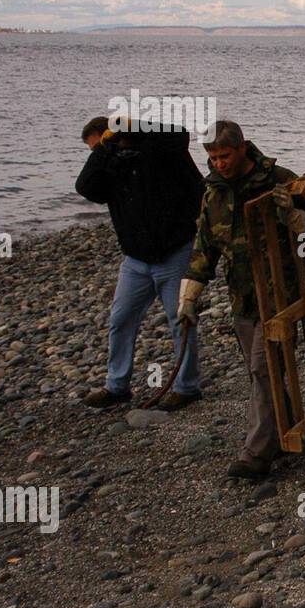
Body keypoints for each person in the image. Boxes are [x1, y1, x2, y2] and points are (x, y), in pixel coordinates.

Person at [176, 120, 305, 479]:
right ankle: (287, 428)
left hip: (279, 293)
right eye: (212, 157)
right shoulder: (213, 192)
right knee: (260, 371)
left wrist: (293, 214)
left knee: (263, 369)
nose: (218, 164)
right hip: (241, 295)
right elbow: (205, 245)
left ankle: (256, 453)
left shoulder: (277, 178)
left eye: (224, 156)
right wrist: (190, 295)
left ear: (243, 148)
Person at [75, 115, 204, 410]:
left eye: (101, 143)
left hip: (174, 251)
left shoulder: (157, 148)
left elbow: (179, 135)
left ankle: (187, 387)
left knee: (180, 320)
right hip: (135, 260)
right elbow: (85, 186)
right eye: (95, 148)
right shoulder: (109, 166)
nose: (98, 151)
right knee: (120, 320)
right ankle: (117, 386)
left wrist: (134, 127)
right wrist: (105, 150)